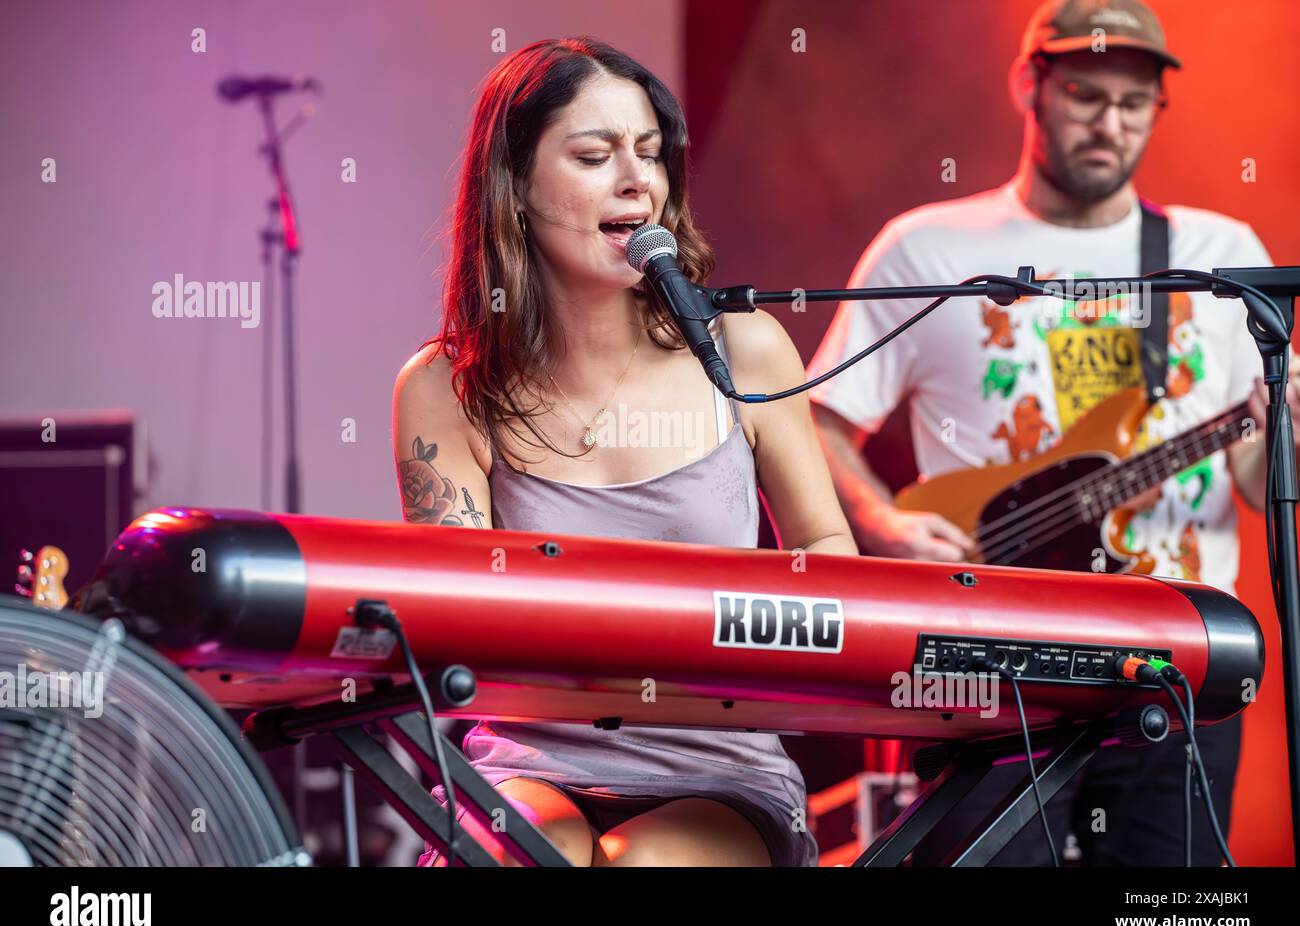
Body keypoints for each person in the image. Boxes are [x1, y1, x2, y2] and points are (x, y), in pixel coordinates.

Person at [807, 0, 1293, 865]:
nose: (1110, 123)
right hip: (991, 655)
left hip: (1173, 660)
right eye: (1085, 95)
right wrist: (882, 525)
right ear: (1029, 84)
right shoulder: (927, 250)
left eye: (1133, 103)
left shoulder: (1219, 254)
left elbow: (1259, 480)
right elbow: (816, 425)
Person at [393, 37, 856, 867]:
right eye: (594, 155)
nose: (636, 179)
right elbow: (453, 625)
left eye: (649, 154)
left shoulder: (745, 351)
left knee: (643, 862)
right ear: (517, 188)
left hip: (721, 766)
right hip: (526, 762)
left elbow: (828, 553)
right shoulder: (446, 385)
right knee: (533, 851)